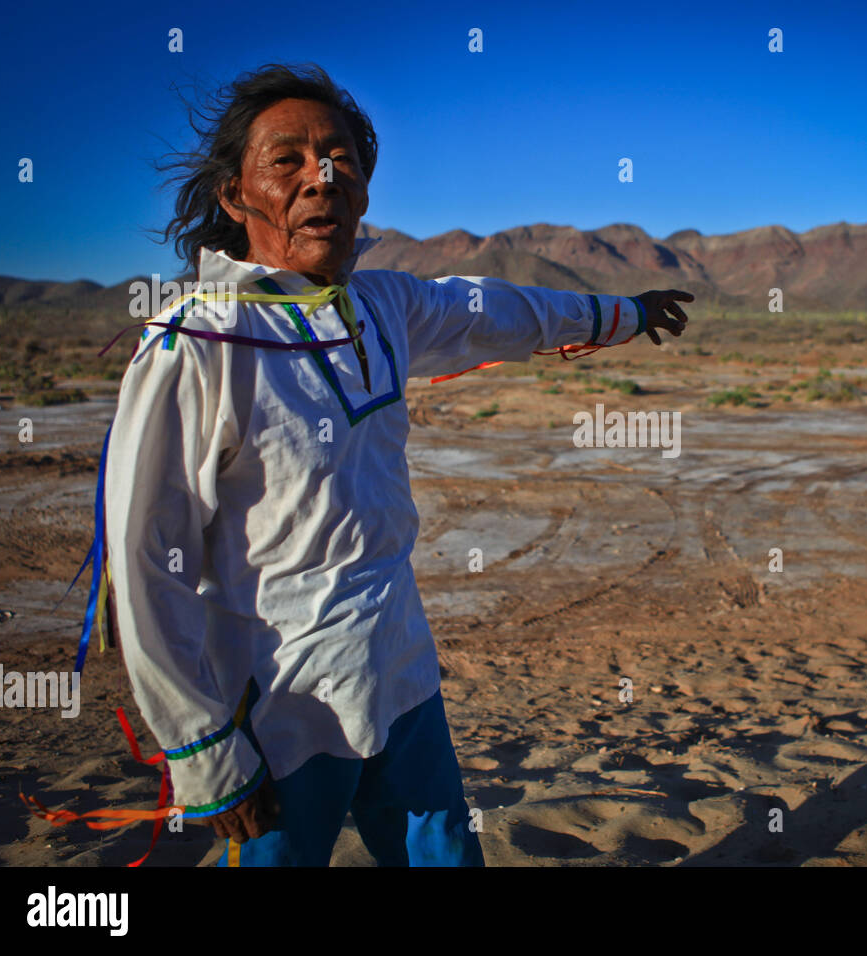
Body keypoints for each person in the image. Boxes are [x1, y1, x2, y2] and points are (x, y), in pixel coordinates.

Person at [104, 62, 693, 866]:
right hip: (281, 707)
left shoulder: (383, 309)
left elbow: (500, 311)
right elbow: (145, 560)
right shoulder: (194, 345)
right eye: (288, 161)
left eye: (340, 158)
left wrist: (623, 313)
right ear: (234, 196)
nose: (323, 178)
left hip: (402, 675)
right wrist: (201, 748)